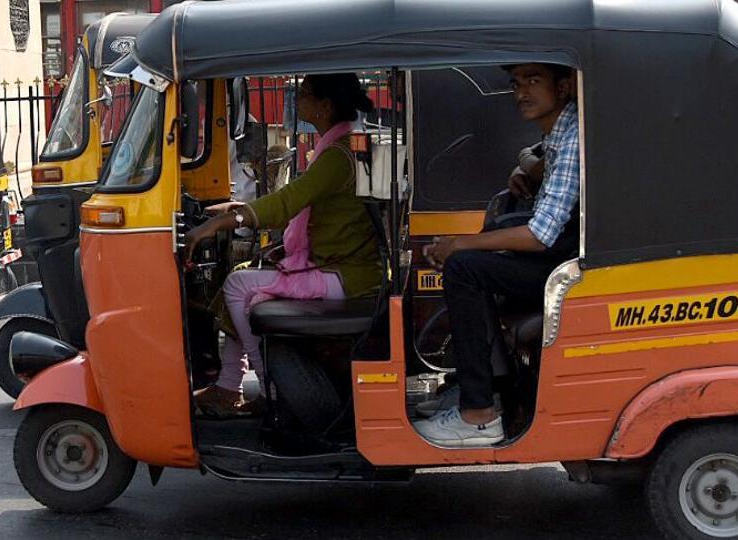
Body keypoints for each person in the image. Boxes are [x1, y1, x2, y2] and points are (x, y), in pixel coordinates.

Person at [184, 73, 382, 418]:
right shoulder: (339, 145)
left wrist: (226, 220)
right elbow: (295, 201)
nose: (297, 98)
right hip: (342, 266)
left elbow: (287, 203)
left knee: (237, 284)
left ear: (324, 106)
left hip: (347, 275)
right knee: (243, 277)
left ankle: (269, 388)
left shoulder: (337, 155)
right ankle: (229, 387)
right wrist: (233, 210)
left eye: (304, 93)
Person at [413, 63, 580, 447]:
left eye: (534, 81)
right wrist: (526, 172)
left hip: (568, 266)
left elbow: (541, 234)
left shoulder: (573, 136)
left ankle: (478, 415)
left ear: (565, 86)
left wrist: (460, 243)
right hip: (561, 253)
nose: (522, 92)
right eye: (517, 83)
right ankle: (491, 384)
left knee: (464, 267)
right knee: (485, 242)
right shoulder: (560, 131)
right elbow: (536, 157)